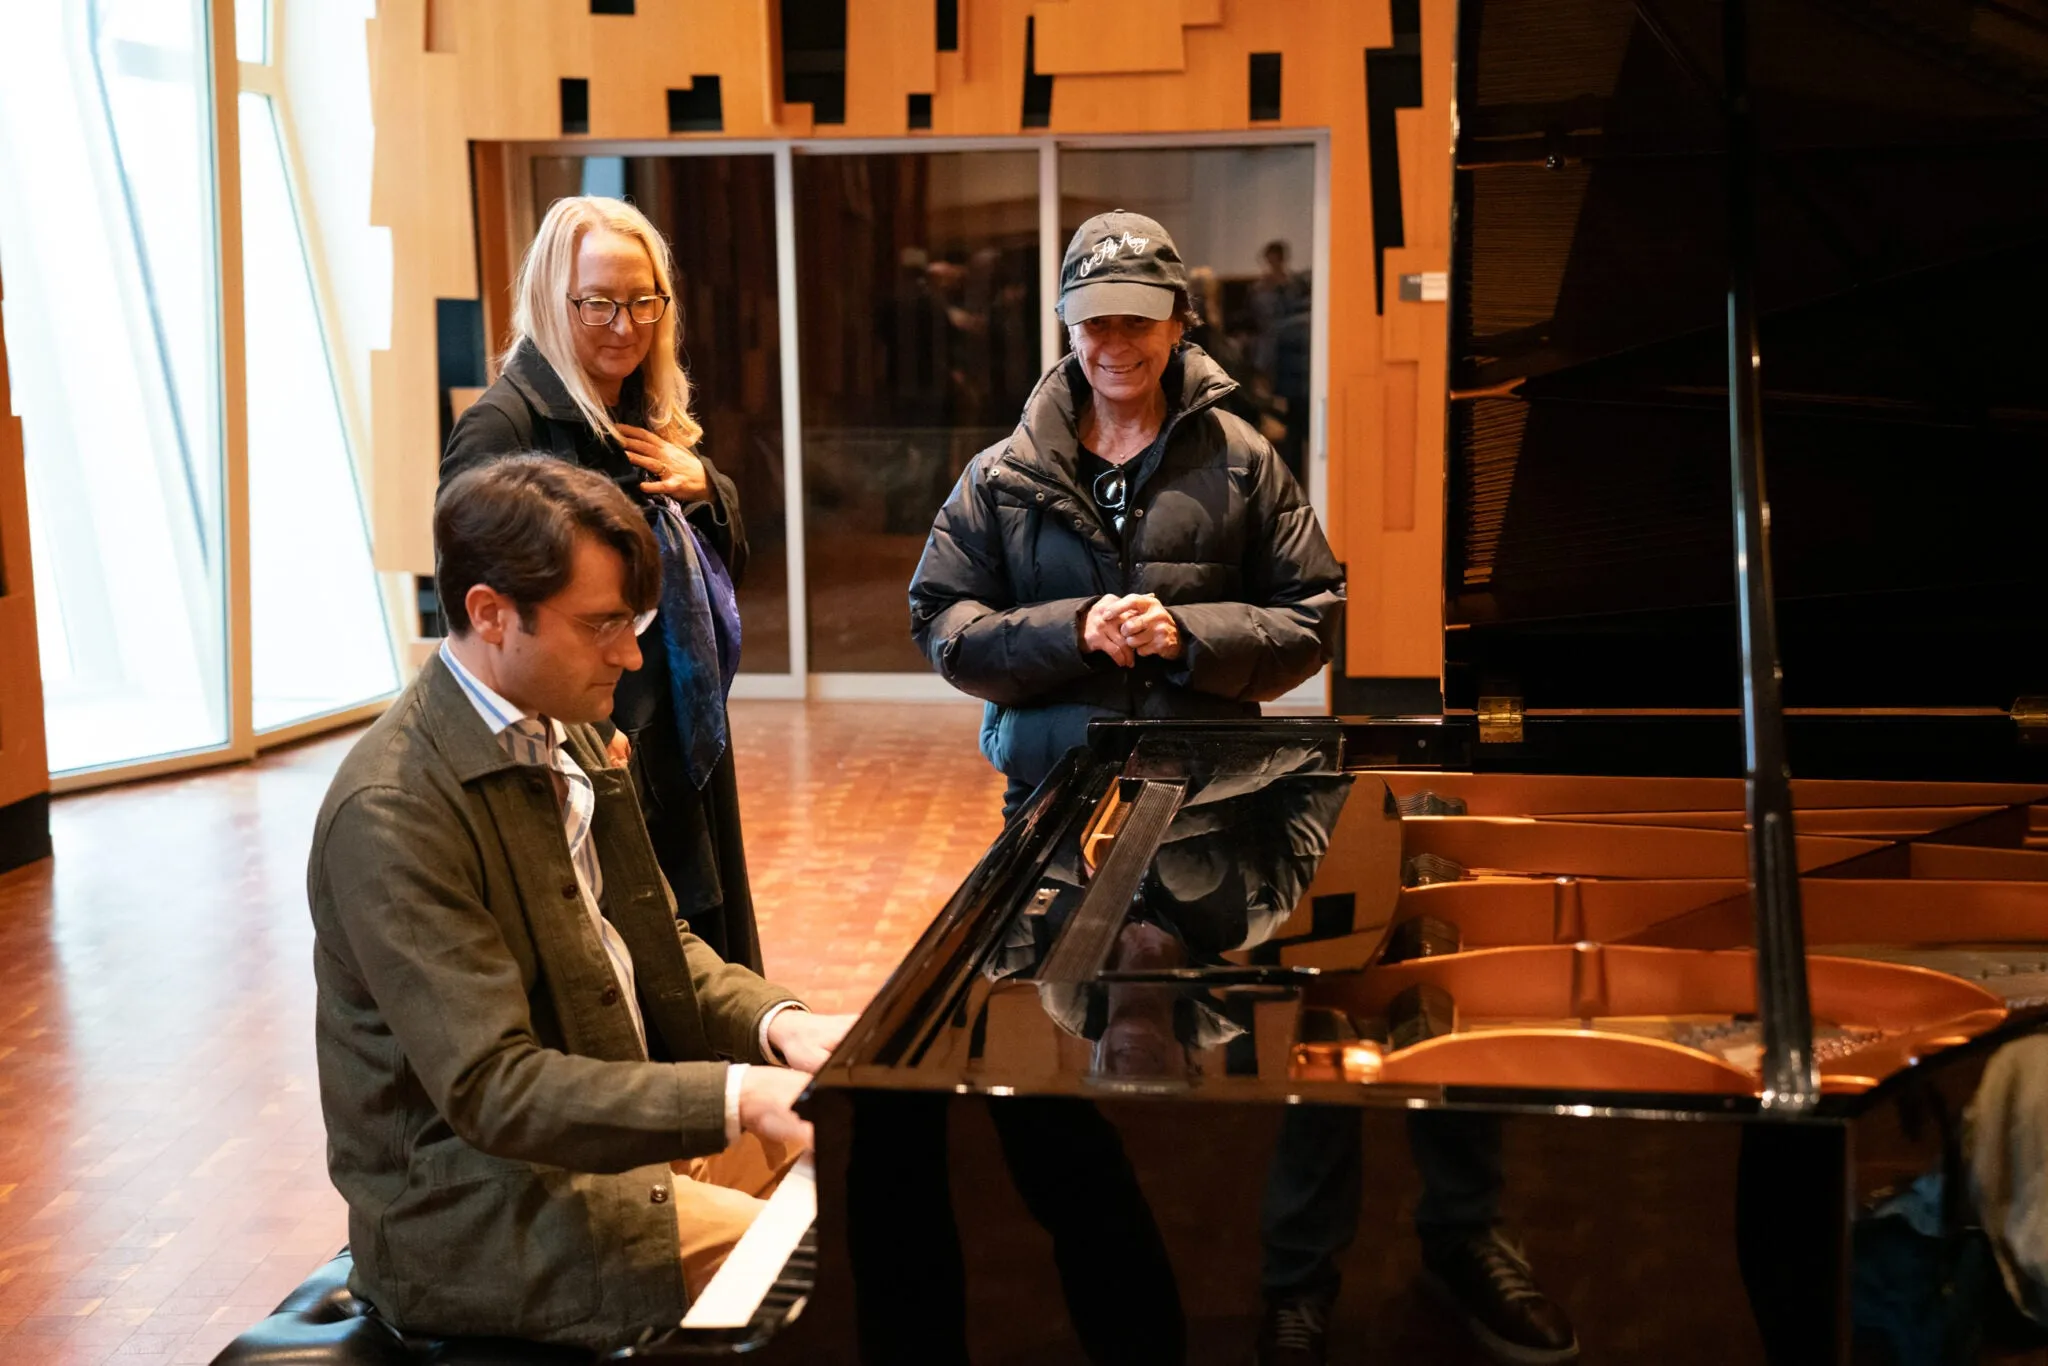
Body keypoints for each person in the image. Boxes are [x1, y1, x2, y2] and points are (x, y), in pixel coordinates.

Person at [307, 456, 851, 1352]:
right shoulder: (395, 812)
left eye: (631, 622)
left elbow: (654, 939)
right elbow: (494, 1088)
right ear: (490, 614)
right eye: (602, 625)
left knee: (872, 1159)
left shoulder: (569, 723)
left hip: (602, 1141)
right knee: (827, 1270)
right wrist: (739, 1094)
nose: (631, 655)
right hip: (480, 1208)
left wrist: (778, 1026)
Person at [908, 209, 1345, 819]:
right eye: (1095, 321)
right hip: (1049, 798)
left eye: (1137, 320)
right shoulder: (1002, 473)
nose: (1114, 343)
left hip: (1206, 800)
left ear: (1177, 323)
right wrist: (1073, 630)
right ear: (1069, 328)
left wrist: (1184, 636)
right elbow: (942, 620)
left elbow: (1312, 618)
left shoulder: (1243, 459)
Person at [442, 195, 763, 973]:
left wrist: (708, 491)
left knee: (694, 955)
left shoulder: (646, 416)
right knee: (626, 969)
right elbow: (478, 619)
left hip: (676, 740)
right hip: (587, 749)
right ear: (555, 300)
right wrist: (575, 737)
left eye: (643, 302)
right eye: (599, 304)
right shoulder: (503, 430)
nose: (625, 326)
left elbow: (723, 577)